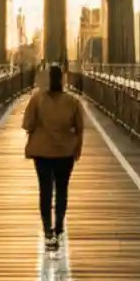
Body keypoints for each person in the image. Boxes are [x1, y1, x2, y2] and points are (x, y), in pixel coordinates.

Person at [22, 64, 83, 249]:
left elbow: (27, 124)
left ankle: (47, 229)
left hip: (42, 152)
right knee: (62, 190)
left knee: (45, 190)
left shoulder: (37, 99)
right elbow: (79, 127)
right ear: (63, 79)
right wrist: (76, 147)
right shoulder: (73, 102)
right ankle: (59, 228)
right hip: (65, 152)